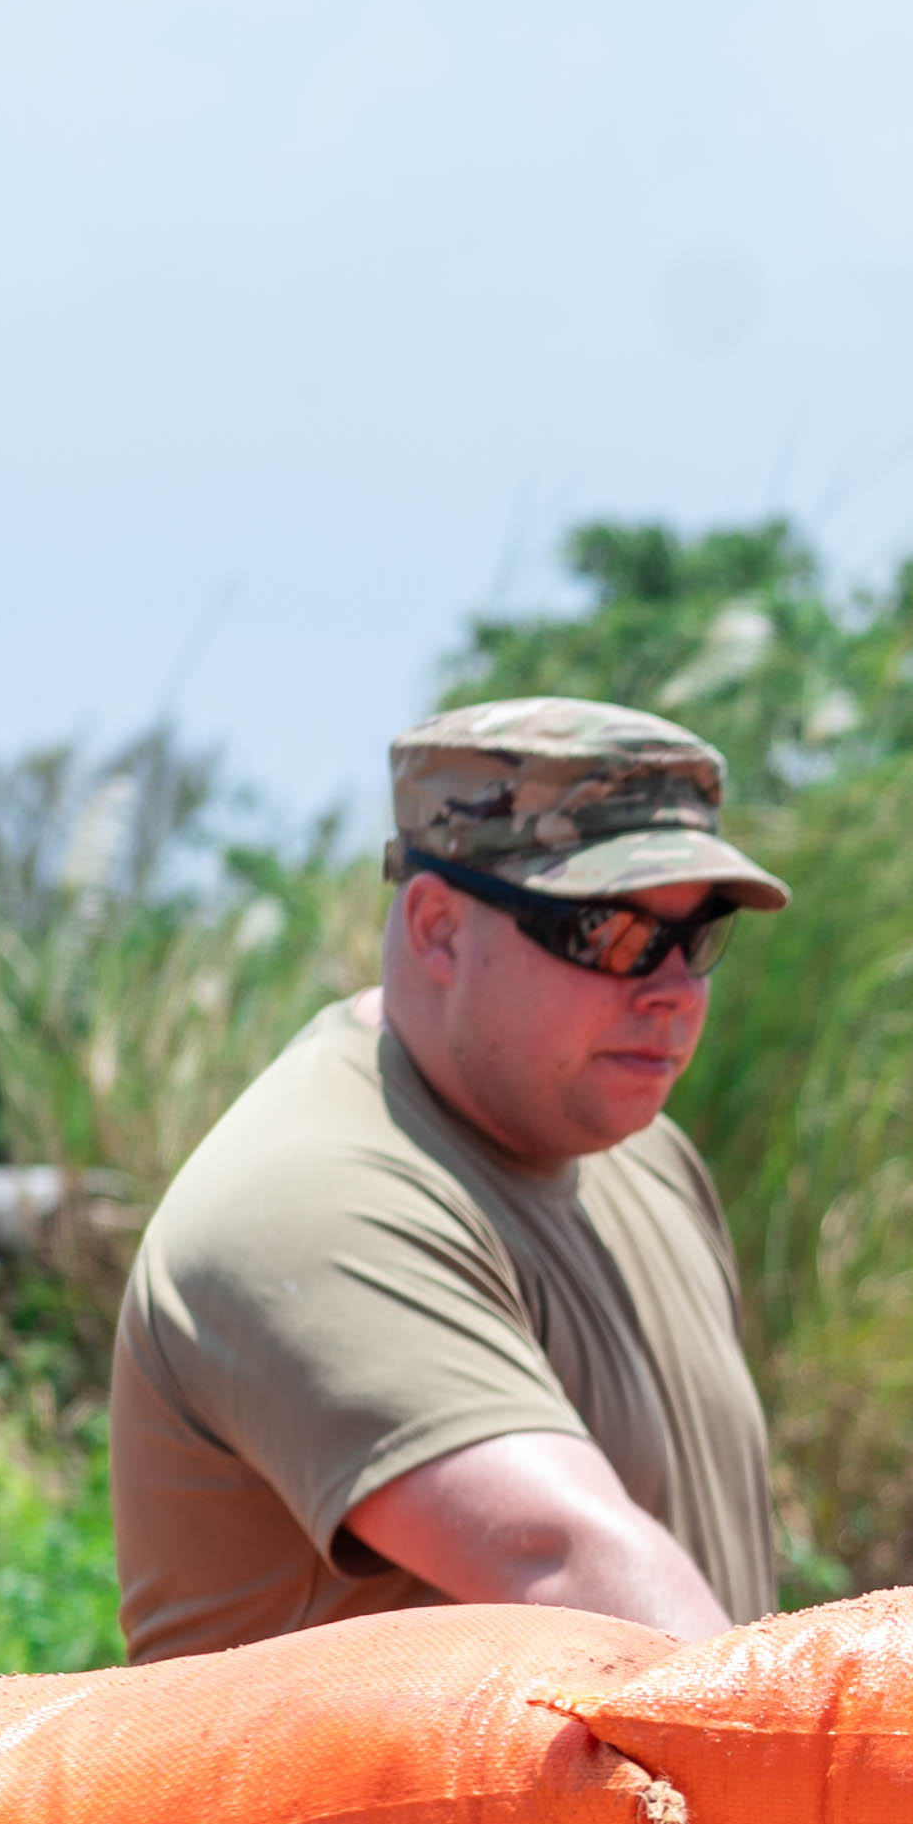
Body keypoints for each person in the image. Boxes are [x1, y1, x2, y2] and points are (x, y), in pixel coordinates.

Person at [112, 702, 786, 1656]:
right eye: (612, 933)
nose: (673, 988)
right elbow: (562, 1560)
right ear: (438, 928)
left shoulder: (648, 1157)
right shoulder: (310, 1205)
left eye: (701, 936)